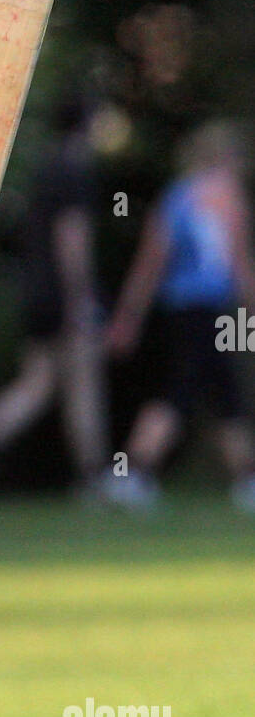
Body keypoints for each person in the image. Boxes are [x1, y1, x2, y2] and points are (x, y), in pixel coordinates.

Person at [103, 121, 255, 509]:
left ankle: (245, 477)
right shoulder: (230, 196)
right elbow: (239, 264)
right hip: (212, 310)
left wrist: (128, 317)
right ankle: (134, 470)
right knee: (183, 391)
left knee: (221, 392)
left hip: (179, 309)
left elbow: (150, 263)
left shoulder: (177, 197)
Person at [0, 94, 107, 495]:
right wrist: (81, 298)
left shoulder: (46, 168)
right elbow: (72, 239)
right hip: (63, 294)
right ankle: (95, 477)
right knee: (84, 384)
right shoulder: (74, 171)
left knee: (39, 384)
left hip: (37, 293)